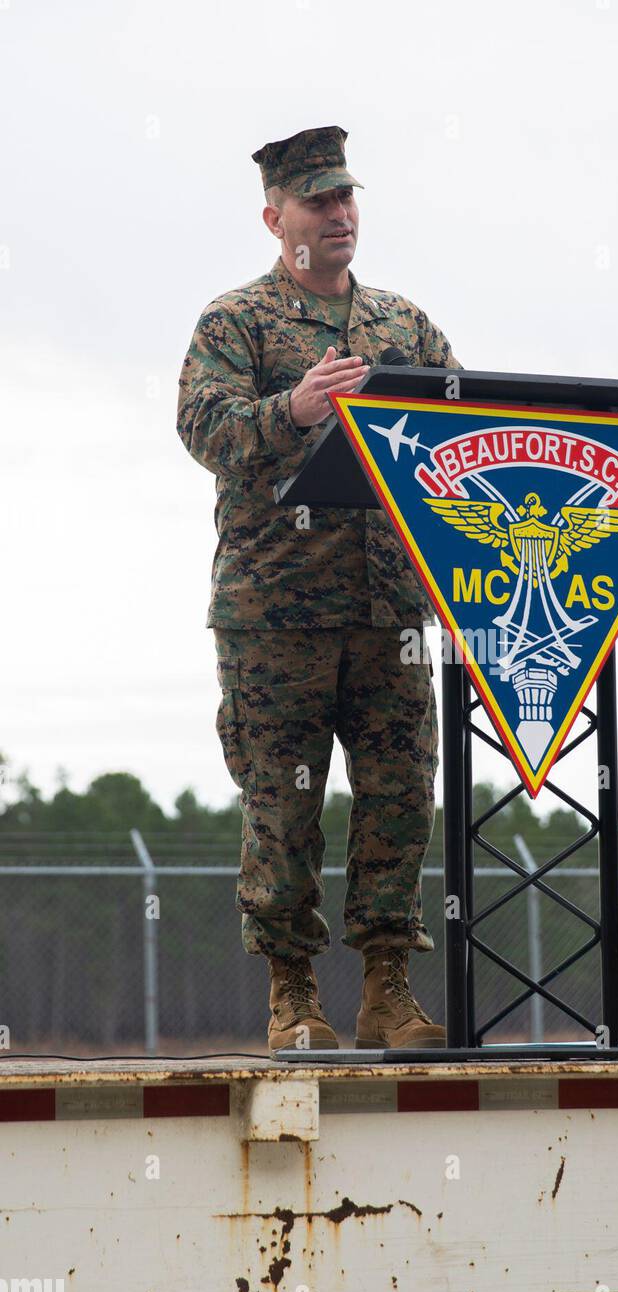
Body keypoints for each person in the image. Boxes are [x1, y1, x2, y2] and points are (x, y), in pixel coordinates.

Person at [176, 125, 460, 1054]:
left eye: (346, 198)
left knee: (397, 796)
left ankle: (389, 990)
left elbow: (460, 431)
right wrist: (291, 410)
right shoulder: (237, 322)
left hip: (389, 612)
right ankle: (293, 999)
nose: (338, 215)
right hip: (277, 614)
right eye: (317, 201)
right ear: (275, 217)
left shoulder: (402, 324)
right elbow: (204, 430)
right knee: (283, 804)